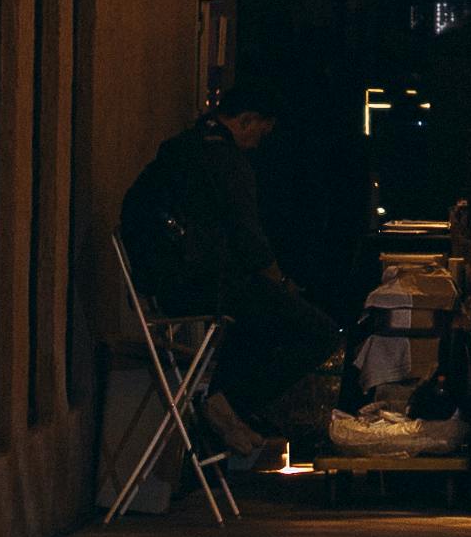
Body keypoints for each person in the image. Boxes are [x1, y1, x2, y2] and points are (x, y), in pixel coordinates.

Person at [118, 77, 344, 457]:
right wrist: (280, 281)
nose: (258, 144)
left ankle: (224, 410)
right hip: (202, 285)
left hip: (166, 282)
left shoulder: (181, 149)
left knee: (255, 317)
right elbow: (249, 237)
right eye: (260, 133)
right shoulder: (225, 161)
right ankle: (227, 404)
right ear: (246, 120)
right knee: (317, 332)